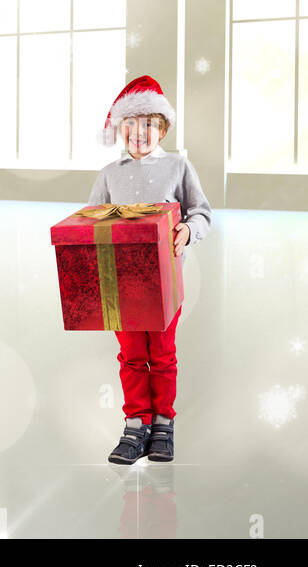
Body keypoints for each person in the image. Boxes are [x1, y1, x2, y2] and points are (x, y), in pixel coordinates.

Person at [87, 75, 212, 464]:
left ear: (163, 128)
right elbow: (92, 220)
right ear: (119, 128)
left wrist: (189, 230)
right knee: (129, 354)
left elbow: (202, 213)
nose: (139, 133)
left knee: (161, 353)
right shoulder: (110, 174)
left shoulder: (178, 166)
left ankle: (162, 421)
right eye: (131, 124)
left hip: (164, 284)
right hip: (119, 284)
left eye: (149, 125)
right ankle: (135, 422)